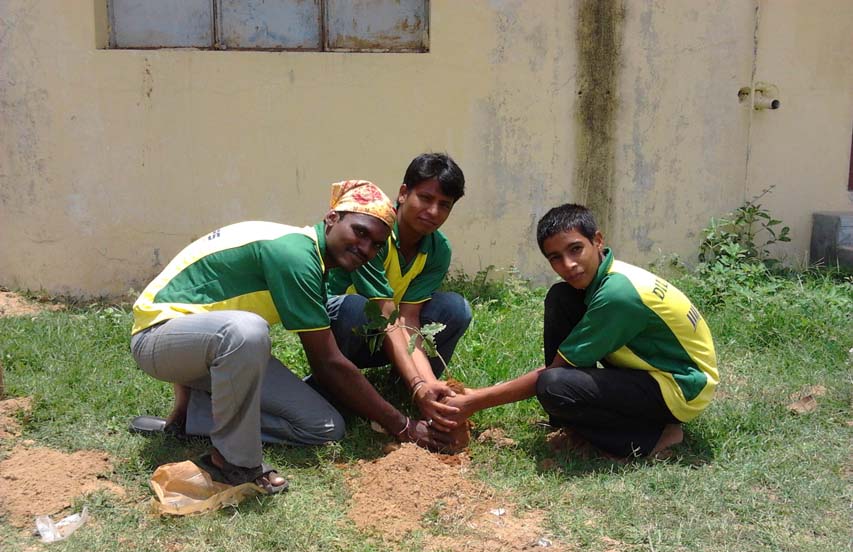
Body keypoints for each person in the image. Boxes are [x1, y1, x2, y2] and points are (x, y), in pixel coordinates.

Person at [130, 180, 458, 494]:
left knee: (325, 427)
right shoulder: (295, 255)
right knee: (247, 331)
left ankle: (198, 416)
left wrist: (418, 388)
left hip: (212, 347)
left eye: (375, 244)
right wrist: (402, 425)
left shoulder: (315, 259)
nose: (365, 248)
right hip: (158, 337)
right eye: (360, 232)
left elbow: (388, 316)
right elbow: (328, 362)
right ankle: (235, 462)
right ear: (332, 218)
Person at [444, 204, 718, 458]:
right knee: (561, 298)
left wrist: (475, 400)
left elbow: (554, 373)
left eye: (575, 249)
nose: (568, 265)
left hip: (682, 388)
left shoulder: (618, 295)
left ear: (598, 240)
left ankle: (655, 437)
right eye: (556, 258)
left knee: (553, 387)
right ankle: (568, 421)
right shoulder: (610, 276)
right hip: (659, 371)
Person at [323, 153, 472, 428]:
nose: (433, 212)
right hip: (341, 328)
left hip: (387, 329)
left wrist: (429, 386)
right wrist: (419, 385)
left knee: (455, 309)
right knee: (357, 307)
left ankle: (405, 388)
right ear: (403, 193)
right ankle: (334, 385)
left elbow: (409, 318)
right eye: (425, 198)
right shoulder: (374, 233)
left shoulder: (438, 249)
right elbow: (385, 314)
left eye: (444, 205)